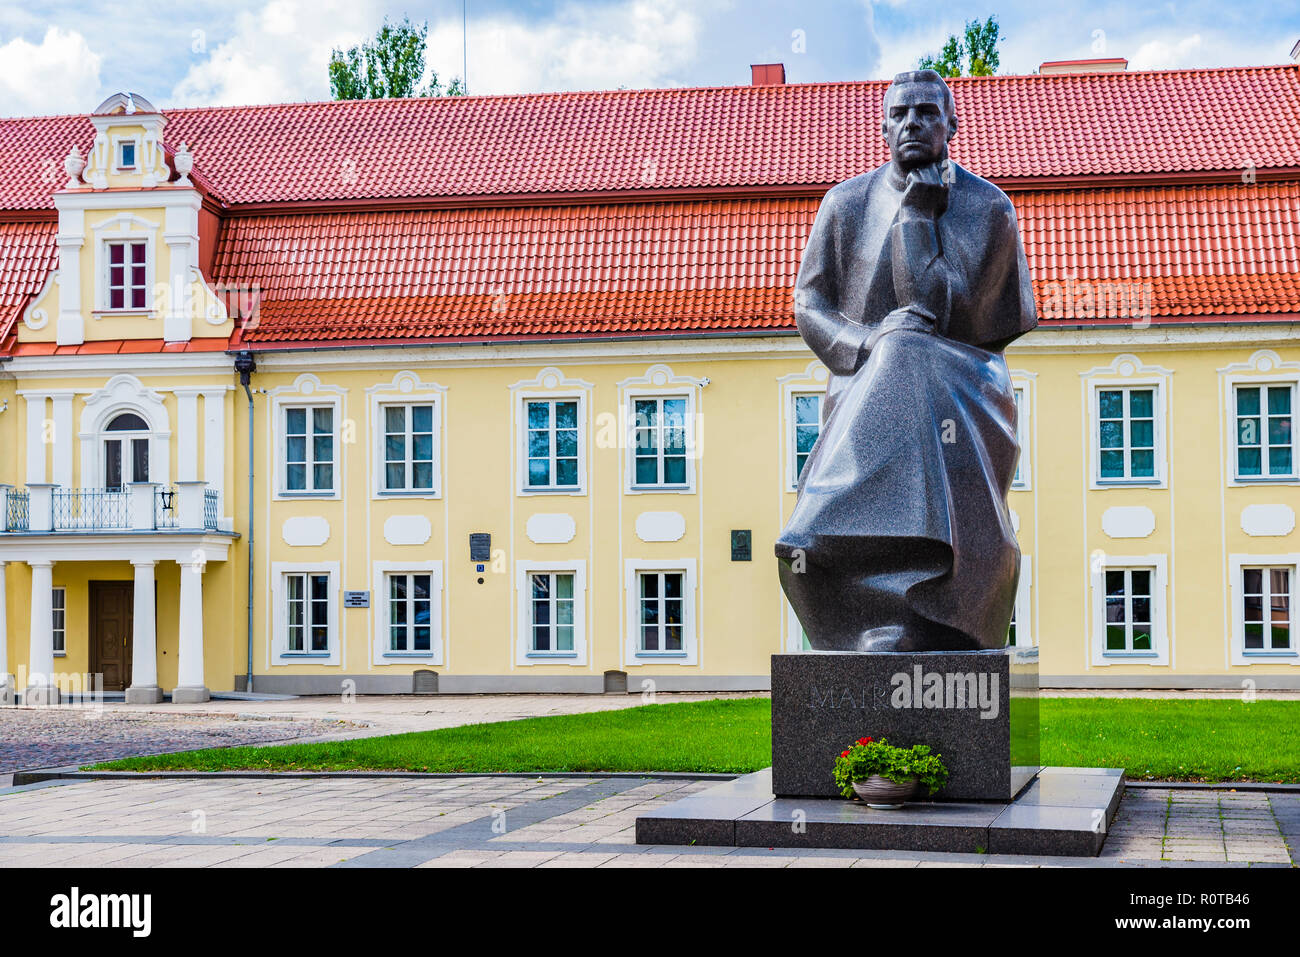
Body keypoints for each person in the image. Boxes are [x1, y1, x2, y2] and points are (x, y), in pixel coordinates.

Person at [775, 69, 1038, 652]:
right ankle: (883, 603)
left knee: (909, 347)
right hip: (863, 379)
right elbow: (810, 304)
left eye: (926, 111)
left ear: (952, 123)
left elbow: (942, 312)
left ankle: (840, 544)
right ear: (884, 125)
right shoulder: (844, 204)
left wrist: (919, 217)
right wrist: (867, 343)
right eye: (899, 113)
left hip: (965, 383)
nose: (912, 123)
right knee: (898, 348)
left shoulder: (987, 207)